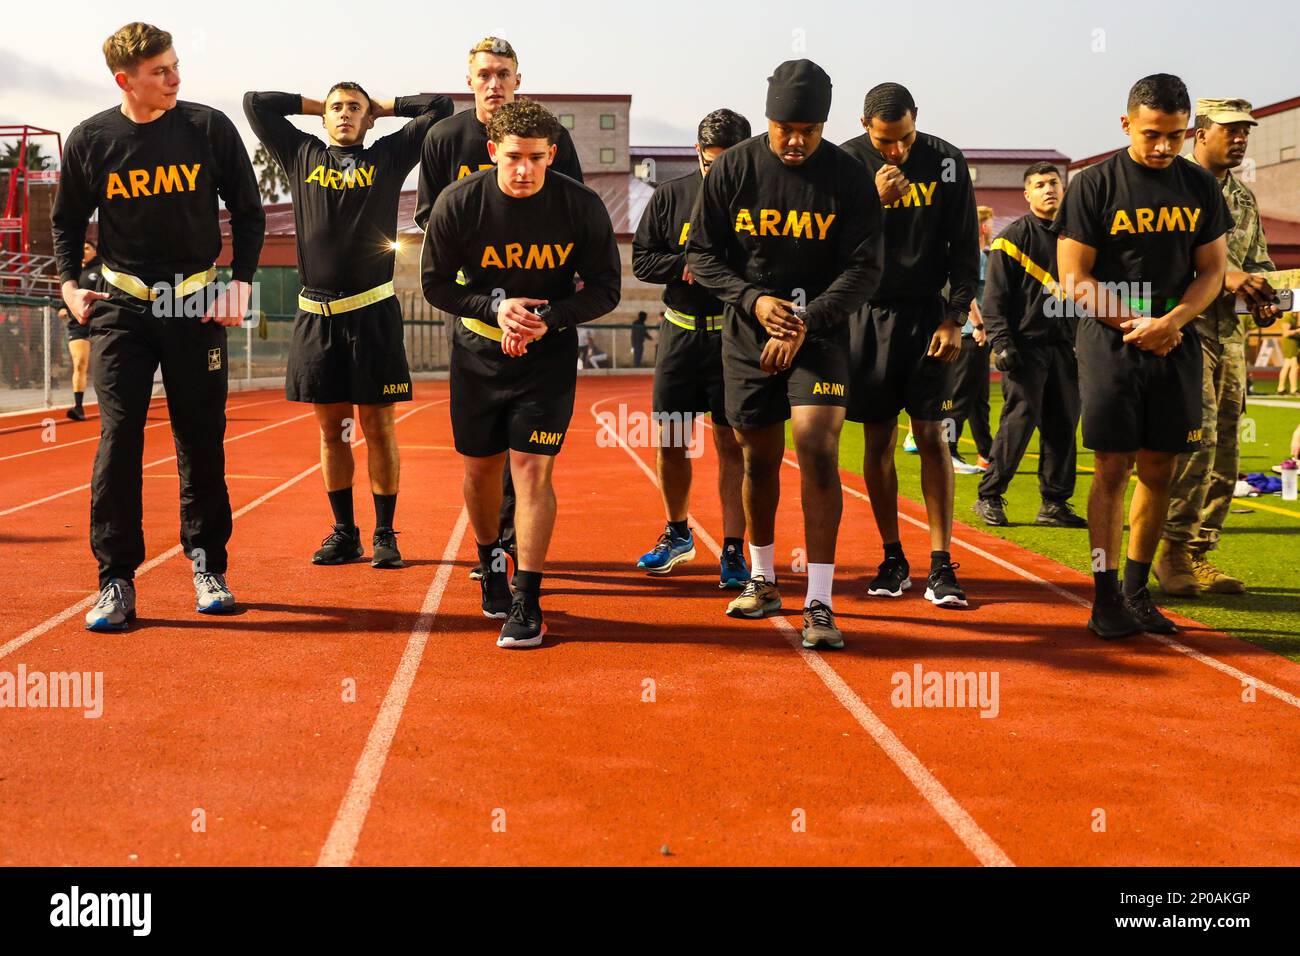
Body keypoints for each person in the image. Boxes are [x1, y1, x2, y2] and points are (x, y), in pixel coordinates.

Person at [52, 22, 264, 631]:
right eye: (160, 72)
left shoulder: (208, 128)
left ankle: (207, 565)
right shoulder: (92, 139)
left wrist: (242, 282)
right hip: (123, 306)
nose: (176, 79)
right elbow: (66, 222)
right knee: (119, 438)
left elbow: (249, 214)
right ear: (125, 81)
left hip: (194, 304)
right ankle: (116, 580)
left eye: (175, 66)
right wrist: (70, 284)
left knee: (200, 438)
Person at [688, 60, 883, 649]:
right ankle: (764, 579)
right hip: (750, 332)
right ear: (768, 118)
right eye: (784, 128)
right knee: (757, 459)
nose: (796, 141)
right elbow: (701, 255)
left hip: (818, 332)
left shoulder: (848, 177)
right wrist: (752, 300)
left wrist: (806, 319)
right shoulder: (734, 169)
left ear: (825, 124)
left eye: (810, 129)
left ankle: (820, 603)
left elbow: (865, 268)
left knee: (818, 450)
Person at [422, 100, 620, 648]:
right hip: (477, 356)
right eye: (513, 157)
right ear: (493, 152)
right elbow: (436, 285)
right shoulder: (457, 203)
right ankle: (490, 561)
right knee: (482, 471)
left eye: (536, 158)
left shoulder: (580, 206)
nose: (524, 169)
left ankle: (527, 598)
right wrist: (495, 307)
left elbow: (607, 287)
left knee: (532, 471)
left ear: (552, 154)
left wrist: (548, 318)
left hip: (547, 356)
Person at [244, 84, 453, 569]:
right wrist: (323, 105)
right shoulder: (301, 152)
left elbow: (441, 108)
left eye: (352, 108)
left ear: (369, 119)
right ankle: (344, 532)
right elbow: (256, 102)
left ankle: (384, 533)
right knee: (334, 431)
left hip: (372, 314)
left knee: (377, 427)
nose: (343, 114)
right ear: (323, 118)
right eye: (337, 108)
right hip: (317, 317)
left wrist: (379, 109)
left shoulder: (387, 156)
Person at [1055, 74, 1231, 638]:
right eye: (1153, 134)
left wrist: (1173, 322)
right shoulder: (1094, 185)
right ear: (1126, 123)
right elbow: (1074, 279)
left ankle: (1137, 591)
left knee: (1162, 467)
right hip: (1113, 336)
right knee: (1113, 465)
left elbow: (1212, 271)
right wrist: (1138, 325)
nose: (1163, 147)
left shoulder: (1198, 185)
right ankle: (1104, 596)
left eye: (1176, 136)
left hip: (1176, 334)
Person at [415, 36, 585, 582]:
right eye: (484, 73)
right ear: (469, 80)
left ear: (518, 80)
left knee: (528, 457)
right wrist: (491, 301)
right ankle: (493, 548)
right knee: (484, 456)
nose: (494, 83)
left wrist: (542, 311)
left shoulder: (551, 140)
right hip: (475, 303)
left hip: (538, 314)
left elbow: (568, 217)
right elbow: (431, 224)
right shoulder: (443, 138)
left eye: (503, 73)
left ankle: (515, 548)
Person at [842, 82, 979, 609]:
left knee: (931, 436)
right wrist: (874, 203)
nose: (895, 150)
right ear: (863, 127)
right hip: (866, 317)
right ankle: (892, 555)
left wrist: (954, 318)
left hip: (929, 316)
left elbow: (964, 247)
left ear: (916, 120)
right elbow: (836, 244)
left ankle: (942, 564)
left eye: (903, 138)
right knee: (876, 440)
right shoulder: (847, 163)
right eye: (884, 140)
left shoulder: (946, 161)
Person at [1153, 98, 1279, 598]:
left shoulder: (1243, 198)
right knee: (1193, 443)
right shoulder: (1169, 186)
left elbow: (1260, 261)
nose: (1241, 138)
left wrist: (1268, 293)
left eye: (1246, 130)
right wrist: (1228, 277)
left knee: (1226, 448)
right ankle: (1169, 551)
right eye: (1231, 130)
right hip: (1185, 332)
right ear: (1199, 133)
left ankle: (1199, 553)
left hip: (1231, 338)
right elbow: (1163, 259)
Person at [631, 107, 751, 588]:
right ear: (697, 153)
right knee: (673, 440)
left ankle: (733, 550)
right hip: (680, 332)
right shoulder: (670, 195)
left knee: (731, 443)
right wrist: (682, 264)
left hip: (734, 335)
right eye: (708, 162)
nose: (715, 172)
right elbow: (642, 259)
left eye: (727, 163)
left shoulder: (760, 198)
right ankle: (677, 532)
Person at [972, 162, 1087, 528]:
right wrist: (1002, 343)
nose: (1048, 189)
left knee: (1064, 425)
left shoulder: (1079, 237)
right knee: (1018, 424)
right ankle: (989, 495)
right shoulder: (1012, 239)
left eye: (1053, 182)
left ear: (1063, 188)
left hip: (1067, 349)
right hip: (1026, 348)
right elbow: (993, 300)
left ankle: (1054, 504)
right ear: (1028, 194)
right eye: (1039, 185)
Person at [948, 205, 994, 474]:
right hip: (972, 333)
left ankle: (987, 454)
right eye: (989, 223)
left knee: (978, 400)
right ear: (983, 227)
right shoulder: (977, 255)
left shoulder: (971, 252)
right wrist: (979, 324)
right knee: (961, 397)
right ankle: (948, 451)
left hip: (972, 333)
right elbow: (969, 293)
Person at [58, 240, 102, 420]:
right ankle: (78, 407)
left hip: (99, 323)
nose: (83, 251)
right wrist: (62, 307)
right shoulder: (73, 271)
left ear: (94, 251)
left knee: (104, 368)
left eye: (87, 247)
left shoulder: (101, 269)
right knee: (80, 363)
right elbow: (68, 293)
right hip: (78, 325)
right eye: (81, 247)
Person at [1279, 313, 1300, 394]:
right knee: (1293, 366)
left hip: (1293, 344)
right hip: (1290, 345)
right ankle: (1293, 389)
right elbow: (1286, 333)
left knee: (1287, 366)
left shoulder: (1294, 317)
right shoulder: (1287, 317)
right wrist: (1297, 331)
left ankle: (1281, 388)